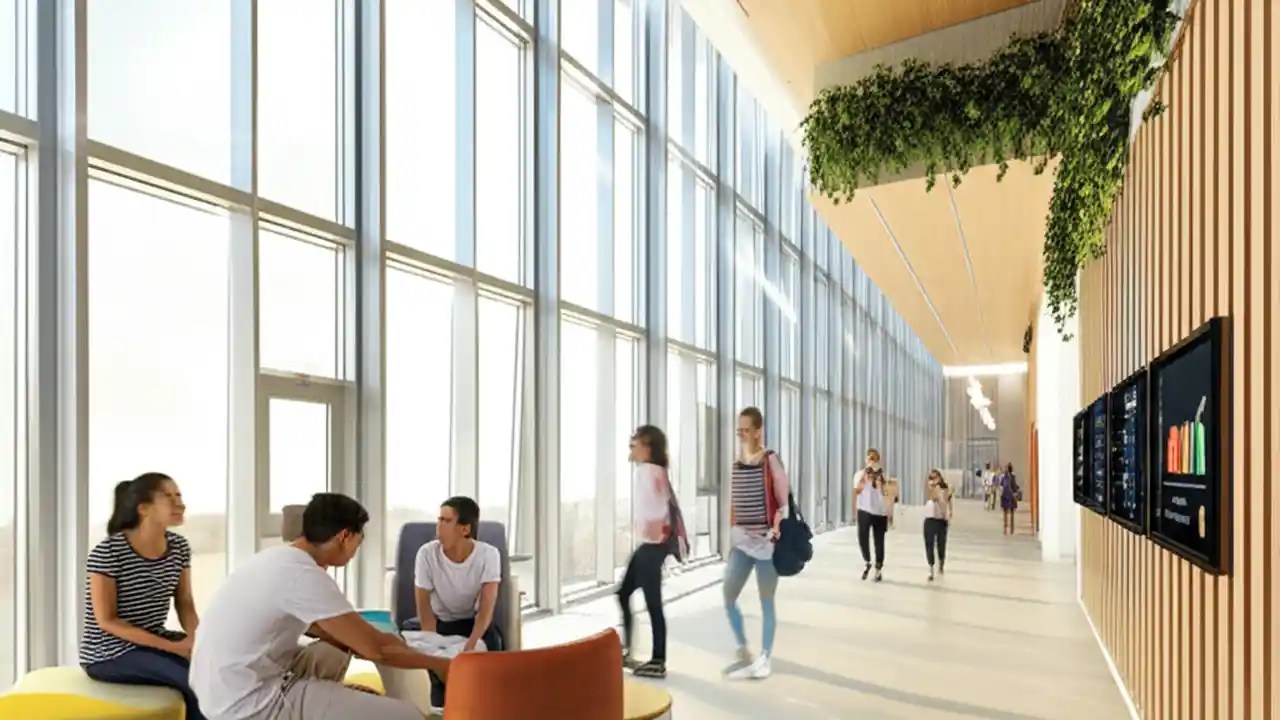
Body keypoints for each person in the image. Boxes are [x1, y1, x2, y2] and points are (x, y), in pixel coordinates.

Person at [190, 493, 447, 720]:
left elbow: (330, 632)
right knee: (406, 716)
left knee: (334, 652)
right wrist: (442, 664)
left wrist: (380, 644)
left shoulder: (274, 559)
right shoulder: (303, 575)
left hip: (217, 689)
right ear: (344, 536)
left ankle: (323, 702)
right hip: (251, 703)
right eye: (359, 541)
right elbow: (376, 649)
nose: (357, 549)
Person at [80, 473, 205, 720]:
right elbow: (107, 621)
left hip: (152, 640)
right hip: (109, 652)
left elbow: (185, 602)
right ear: (143, 509)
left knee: (216, 669)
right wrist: (174, 647)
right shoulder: (108, 552)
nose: (179, 502)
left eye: (178, 495)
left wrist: (196, 639)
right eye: (168, 496)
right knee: (195, 682)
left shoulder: (179, 547)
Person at [414, 496, 503, 709]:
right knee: (414, 653)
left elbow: (486, 609)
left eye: (446, 521)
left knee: (492, 658)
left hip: (473, 624)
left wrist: (470, 647)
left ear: (465, 529)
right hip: (437, 624)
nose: (439, 527)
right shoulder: (426, 554)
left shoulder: (488, 555)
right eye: (439, 519)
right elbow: (424, 609)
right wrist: (433, 653)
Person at [722, 407, 790, 681]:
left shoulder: (771, 460)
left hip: (765, 544)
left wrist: (775, 528)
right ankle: (742, 648)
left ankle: (765, 656)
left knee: (766, 601)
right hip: (741, 542)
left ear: (758, 431)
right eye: (739, 429)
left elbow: (784, 502)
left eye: (746, 429)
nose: (741, 434)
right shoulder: (736, 460)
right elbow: (735, 499)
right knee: (728, 596)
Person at [618, 425, 685, 679]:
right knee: (624, 593)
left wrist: (653, 529)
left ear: (648, 448)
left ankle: (657, 660)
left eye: (635, 445)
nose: (632, 449)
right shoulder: (654, 471)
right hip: (650, 544)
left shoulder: (649, 472)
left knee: (652, 603)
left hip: (651, 545)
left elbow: (658, 510)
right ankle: (630, 650)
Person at [853, 449, 890, 582]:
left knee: (879, 541)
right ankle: (867, 561)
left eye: (875, 460)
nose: (872, 462)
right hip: (864, 510)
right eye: (870, 459)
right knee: (862, 538)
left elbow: (887, 494)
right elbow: (857, 491)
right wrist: (865, 476)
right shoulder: (860, 474)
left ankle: (878, 568)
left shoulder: (882, 476)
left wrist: (881, 482)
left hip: (880, 512)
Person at [923, 469, 953, 582]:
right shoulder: (929, 489)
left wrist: (948, 516)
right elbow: (928, 497)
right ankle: (931, 567)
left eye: (935, 477)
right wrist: (931, 489)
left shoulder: (944, 489)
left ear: (939, 478)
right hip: (929, 518)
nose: (932, 480)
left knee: (941, 544)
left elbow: (945, 503)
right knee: (929, 543)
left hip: (940, 520)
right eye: (930, 478)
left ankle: (941, 562)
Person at [999, 463, 1020, 535]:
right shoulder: (1008, 477)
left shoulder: (1007, 477)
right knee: (1009, 513)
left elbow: (1002, 486)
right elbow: (1013, 486)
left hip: (1007, 496)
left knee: (1008, 513)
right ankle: (1008, 528)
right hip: (1008, 496)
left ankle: (1008, 528)